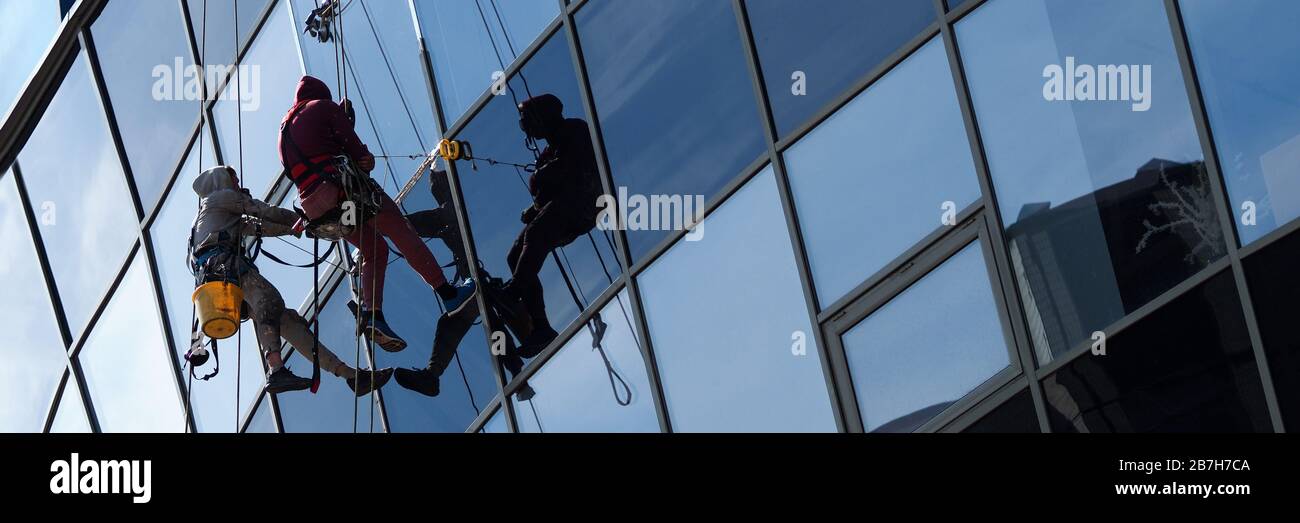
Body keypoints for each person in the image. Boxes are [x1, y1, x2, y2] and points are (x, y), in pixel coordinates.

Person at [278, 76, 475, 353]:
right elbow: (361, 157)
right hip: (341, 189)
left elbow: (307, 160)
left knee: (374, 250)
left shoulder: (284, 130)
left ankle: (373, 316)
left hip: (317, 208)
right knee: (399, 228)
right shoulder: (323, 107)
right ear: (322, 94)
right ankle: (448, 293)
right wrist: (353, 139)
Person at [189, 165, 391, 396]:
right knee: (270, 301)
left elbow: (261, 227)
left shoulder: (212, 217)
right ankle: (275, 370)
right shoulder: (221, 197)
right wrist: (308, 219)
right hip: (226, 269)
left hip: (220, 282)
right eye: (234, 180)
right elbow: (263, 211)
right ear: (221, 180)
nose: (238, 185)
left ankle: (351, 375)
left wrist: (300, 228)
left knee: (288, 323)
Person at [393, 170, 533, 400]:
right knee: (487, 321)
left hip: (476, 280)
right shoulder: (453, 212)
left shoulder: (451, 209)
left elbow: (421, 223)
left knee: (473, 321)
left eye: (437, 187)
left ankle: (516, 371)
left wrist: (392, 224)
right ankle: (516, 373)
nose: (436, 192)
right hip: (476, 280)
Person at [504, 94, 605, 357]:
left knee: (537, 233)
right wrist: (534, 204)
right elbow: (543, 194)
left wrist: (541, 178)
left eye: (526, 119)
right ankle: (541, 328)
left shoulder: (575, 129)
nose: (525, 126)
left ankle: (514, 291)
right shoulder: (547, 154)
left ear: (544, 115)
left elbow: (569, 167)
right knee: (514, 254)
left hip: (586, 200)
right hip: (565, 206)